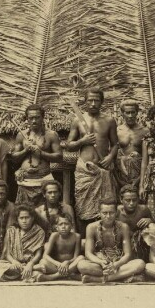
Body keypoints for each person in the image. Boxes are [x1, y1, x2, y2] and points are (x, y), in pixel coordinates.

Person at [62, 89, 118, 229]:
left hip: (102, 169)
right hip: (84, 171)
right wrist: (83, 141)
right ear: (85, 102)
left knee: (105, 207)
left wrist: (110, 157)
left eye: (96, 100)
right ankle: (84, 239)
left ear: (101, 102)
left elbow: (115, 144)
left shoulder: (109, 121)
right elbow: (69, 146)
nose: (93, 104)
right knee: (82, 206)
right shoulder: (77, 121)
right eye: (90, 100)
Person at [78, 198, 146, 283]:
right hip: (100, 264)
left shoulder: (123, 227)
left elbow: (128, 254)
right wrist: (100, 262)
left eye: (111, 213)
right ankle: (122, 276)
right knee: (82, 265)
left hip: (119, 263)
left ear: (116, 213)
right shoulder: (91, 227)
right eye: (104, 213)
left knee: (140, 264)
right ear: (99, 213)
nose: (108, 216)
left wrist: (115, 265)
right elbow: (88, 253)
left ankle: (100, 279)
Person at [12, 105, 62, 206]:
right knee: (24, 214)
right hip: (25, 181)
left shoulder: (51, 135)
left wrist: (41, 153)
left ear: (43, 117)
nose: (34, 121)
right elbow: (14, 158)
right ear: (27, 119)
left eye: (37, 117)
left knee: (44, 214)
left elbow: (59, 157)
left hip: (44, 180)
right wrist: (26, 150)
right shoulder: (21, 135)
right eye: (31, 118)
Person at [0, 205, 45, 282]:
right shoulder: (11, 231)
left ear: (32, 218)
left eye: (27, 217)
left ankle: (27, 272)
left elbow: (38, 254)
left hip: (29, 262)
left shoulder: (39, 232)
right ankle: (28, 273)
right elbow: (7, 254)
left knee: (38, 271)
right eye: (21, 218)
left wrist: (30, 264)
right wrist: (14, 262)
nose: (24, 221)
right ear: (17, 219)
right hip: (14, 264)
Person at [35, 214, 83, 282]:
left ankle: (53, 277)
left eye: (66, 224)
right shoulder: (54, 236)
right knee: (43, 262)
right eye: (60, 224)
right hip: (57, 266)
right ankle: (70, 275)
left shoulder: (77, 236)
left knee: (81, 258)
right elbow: (45, 255)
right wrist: (59, 264)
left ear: (71, 226)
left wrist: (67, 262)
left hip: (70, 265)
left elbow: (76, 257)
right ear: (56, 227)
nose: (63, 227)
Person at [114, 99, 147, 191]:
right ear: (122, 113)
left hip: (140, 173)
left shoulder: (145, 131)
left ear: (137, 112)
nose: (130, 115)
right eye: (127, 112)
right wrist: (117, 178)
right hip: (121, 173)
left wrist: (140, 178)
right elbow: (113, 155)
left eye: (133, 112)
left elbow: (147, 157)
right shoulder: (117, 131)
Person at [116, 185, 152, 261]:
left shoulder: (143, 210)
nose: (131, 203)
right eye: (128, 200)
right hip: (121, 245)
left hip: (140, 246)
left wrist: (150, 220)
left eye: (134, 200)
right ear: (121, 199)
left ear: (138, 199)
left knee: (152, 227)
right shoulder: (117, 212)